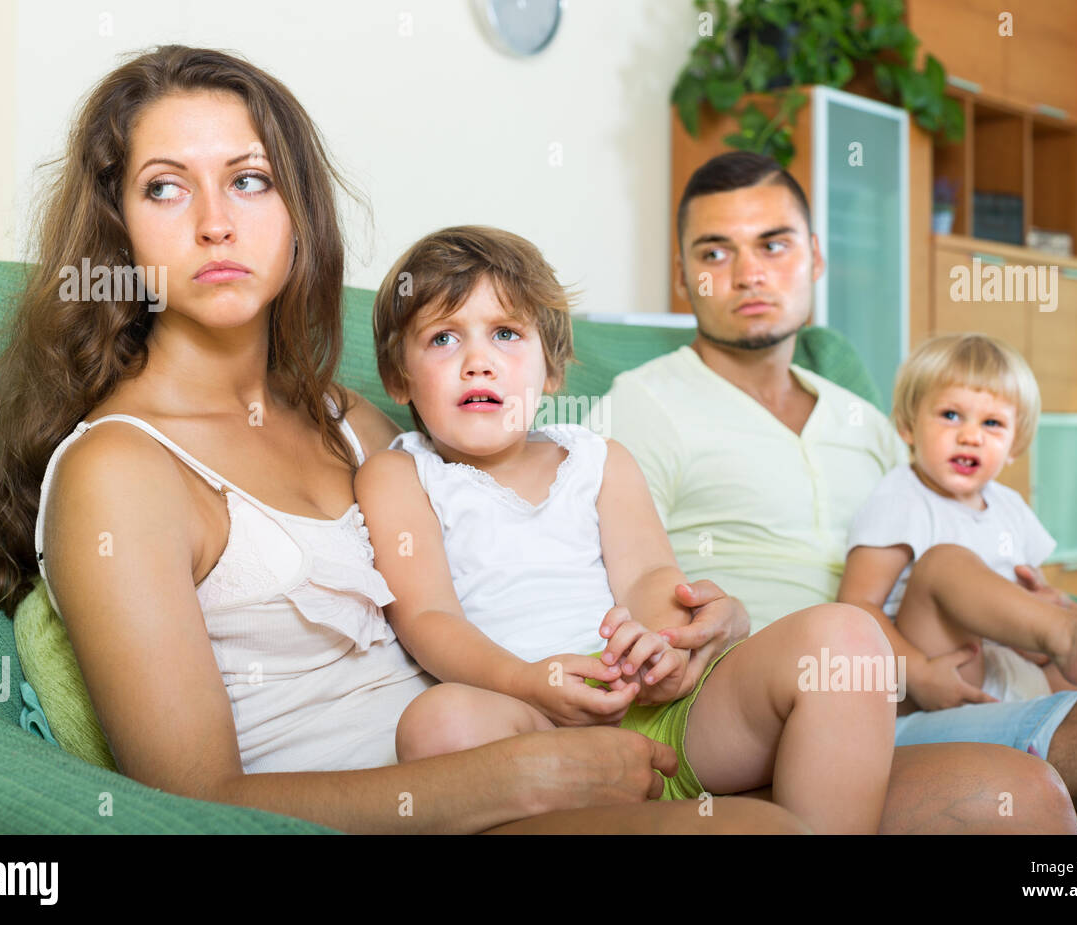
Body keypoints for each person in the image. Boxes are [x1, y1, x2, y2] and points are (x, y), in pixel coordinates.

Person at [0, 44, 798, 835]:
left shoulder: (352, 424)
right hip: (455, 799)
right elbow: (198, 804)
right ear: (117, 228)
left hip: (521, 749)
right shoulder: (119, 470)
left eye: (250, 180)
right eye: (165, 188)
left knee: (895, 789)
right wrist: (523, 775)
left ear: (299, 215)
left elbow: (502, 557)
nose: (216, 223)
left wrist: (696, 625)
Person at [594, 149, 1077, 833]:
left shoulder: (861, 415)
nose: (749, 273)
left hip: (943, 662)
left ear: (816, 258)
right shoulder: (643, 405)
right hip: (799, 704)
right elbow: (589, 571)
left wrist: (1037, 608)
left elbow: (946, 535)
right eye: (715, 253)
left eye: (774, 243)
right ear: (682, 277)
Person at [356, 225, 896, 834]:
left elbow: (648, 575)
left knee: (847, 639)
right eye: (443, 338)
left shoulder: (599, 459)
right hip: (526, 730)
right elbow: (429, 619)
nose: (478, 361)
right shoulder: (402, 475)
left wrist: (665, 644)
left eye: (506, 334)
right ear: (398, 377)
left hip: (661, 711)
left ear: (551, 368)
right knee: (437, 723)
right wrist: (529, 682)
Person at [840, 332, 1077, 708]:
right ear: (908, 427)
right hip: (943, 671)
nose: (970, 436)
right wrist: (916, 672)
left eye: (992, 423)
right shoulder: (899, 498)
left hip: (1015, 670)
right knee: (944, 561)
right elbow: (856, 606)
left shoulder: (1010, 506)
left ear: (1016, 443)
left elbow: (1036, 607)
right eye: (950, 415)